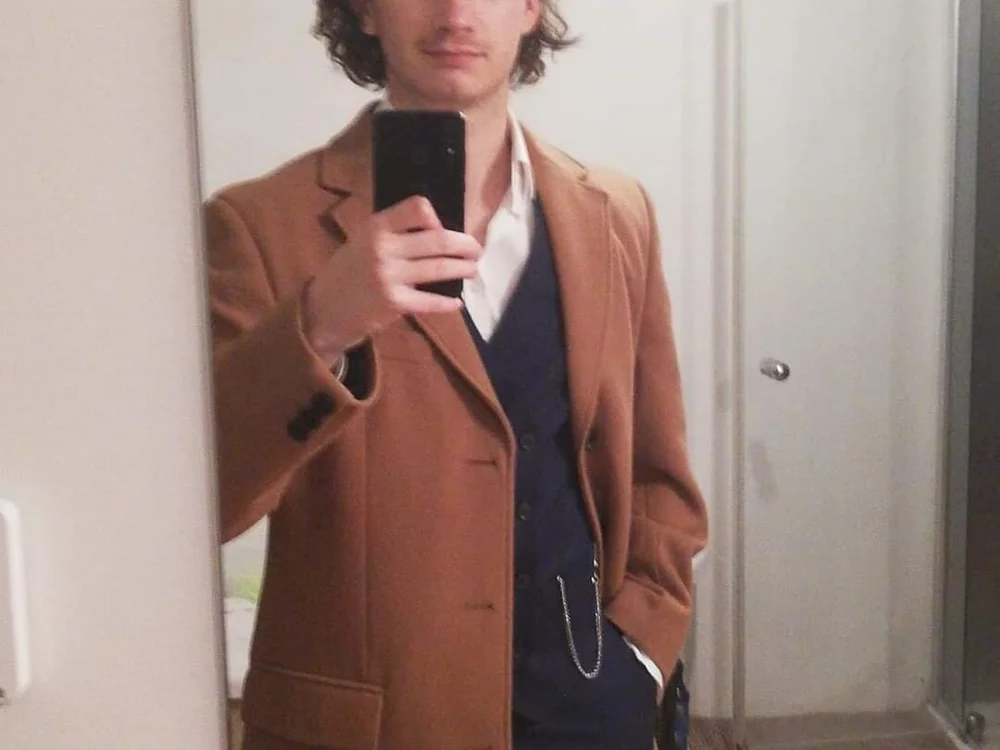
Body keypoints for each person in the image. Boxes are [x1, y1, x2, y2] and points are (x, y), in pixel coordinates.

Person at [205, 1, 708, 748]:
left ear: (530, 9)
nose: (455, 12)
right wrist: (319, 325)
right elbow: (205, 503)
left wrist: (642, 650)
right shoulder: (256, 225)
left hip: (590, 710)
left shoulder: (615, 214)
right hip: (375, 729)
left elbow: (659, 473)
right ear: (365, 11)